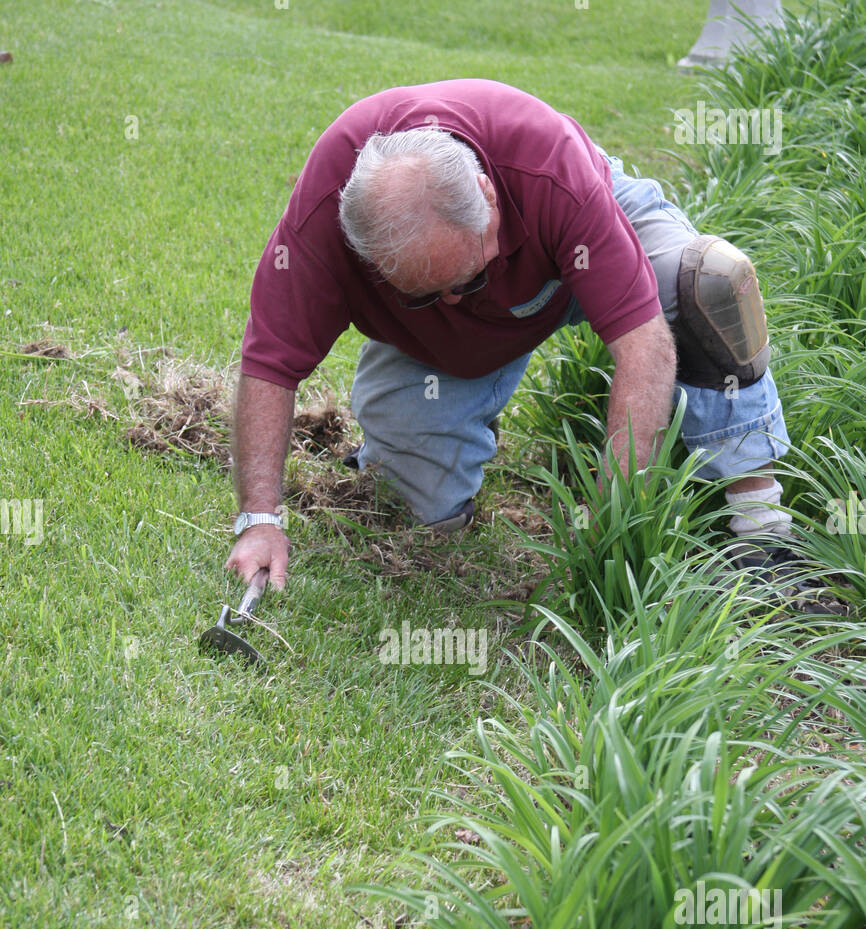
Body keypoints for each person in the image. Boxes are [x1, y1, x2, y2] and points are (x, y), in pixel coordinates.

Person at [227, 78, 841, 614]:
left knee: (709, 281)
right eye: (424, 292)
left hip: (566, 259)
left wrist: (613, 523)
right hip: (443, 350)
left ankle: (759, 525)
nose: (455, 300)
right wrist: (259, 520)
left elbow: (643, 345)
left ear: (488, 198)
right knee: (420, 504)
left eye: (465, 278)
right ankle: (420, 422)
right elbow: (269, 364)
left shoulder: (547, 167)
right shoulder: (323, 219)